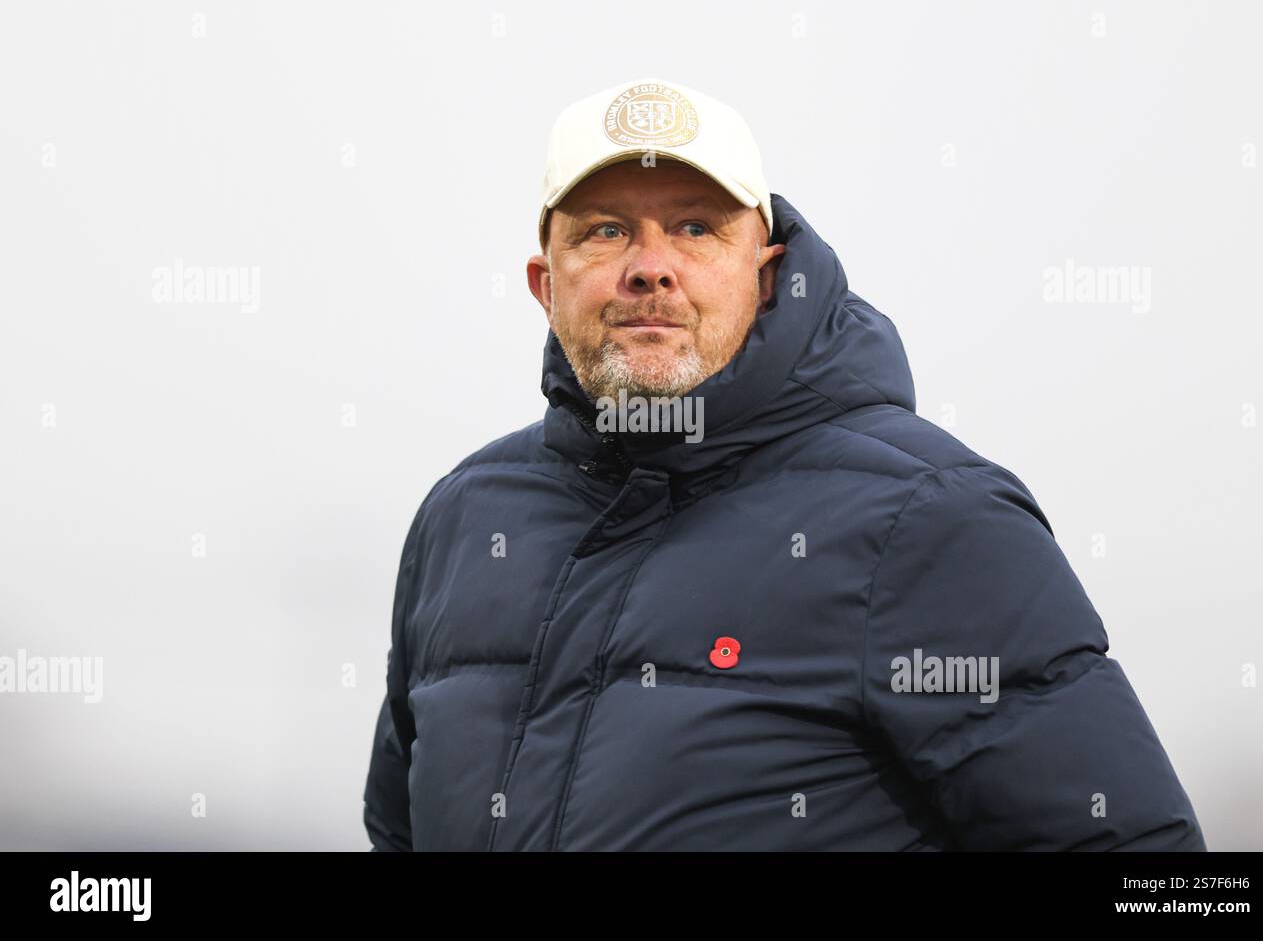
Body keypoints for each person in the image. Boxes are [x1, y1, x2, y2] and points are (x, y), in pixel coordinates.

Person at [362, 77, 1207, 851]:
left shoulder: (928, 518)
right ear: (547, 285)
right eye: (605, 230)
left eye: (695, 227)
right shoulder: (467, 518)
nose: (650, 266)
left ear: (766, 276)